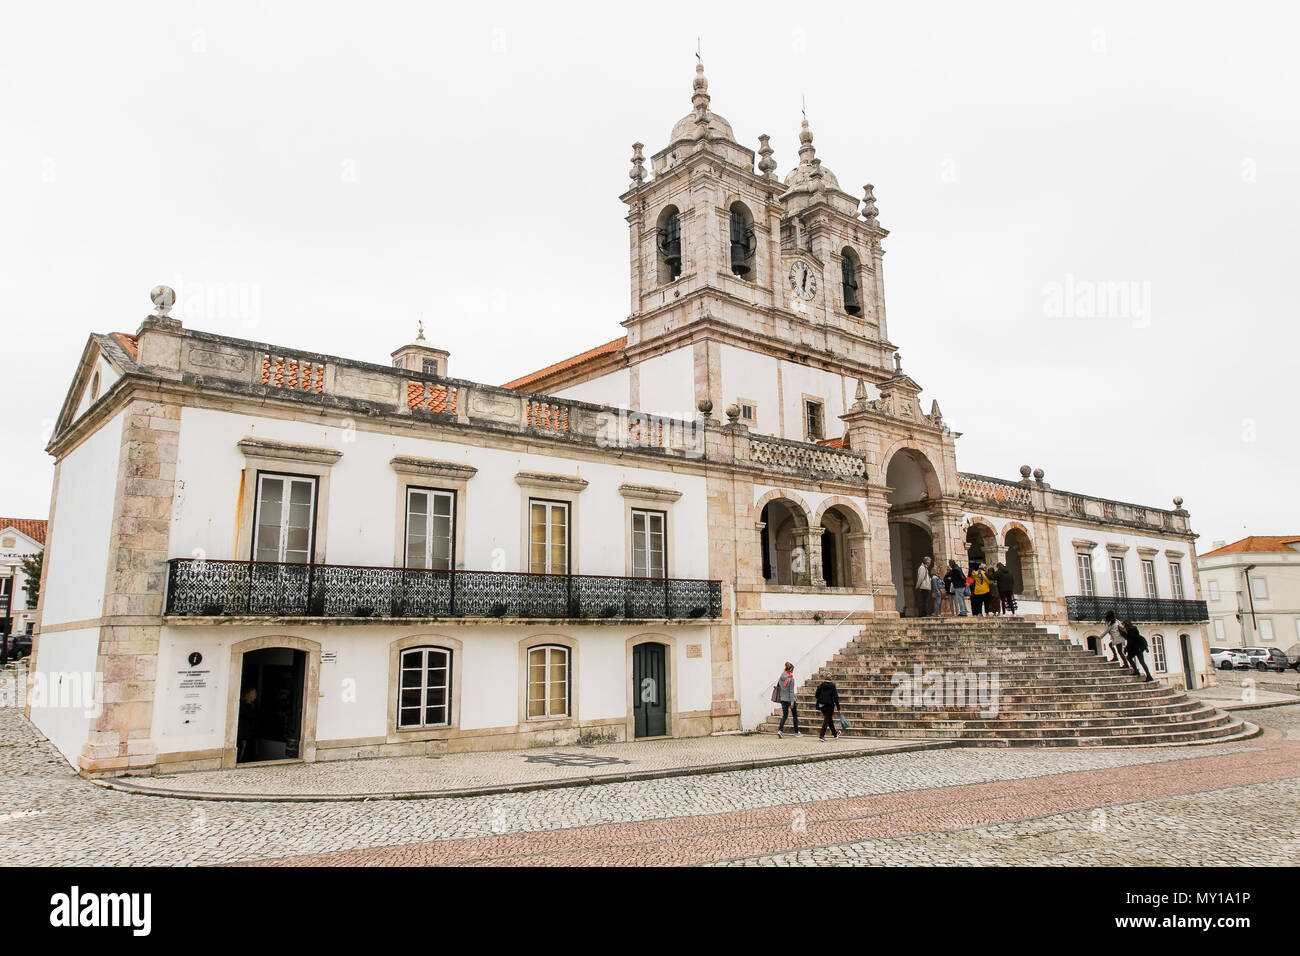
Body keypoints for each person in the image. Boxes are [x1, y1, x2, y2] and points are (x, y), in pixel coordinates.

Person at [775, 661, 803, 738]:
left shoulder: (781, 677)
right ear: (791, 670)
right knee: (794, 716)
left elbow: (779, 688)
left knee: (785, 716)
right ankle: (797, 732)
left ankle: (780, 730)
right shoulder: (791, 679)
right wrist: (792, 702)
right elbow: (791, 691)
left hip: (782, 699)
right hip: (790, 700)